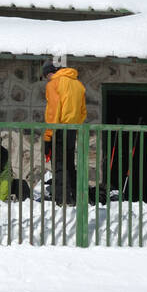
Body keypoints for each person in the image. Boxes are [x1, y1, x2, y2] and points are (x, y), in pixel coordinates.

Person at [43, 63, 87, 204]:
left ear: (50, 73)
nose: (47, 79)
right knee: (69, 164)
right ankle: (74, 197)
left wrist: (48, 135)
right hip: (73, 128)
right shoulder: (78, 85)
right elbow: (83, 112)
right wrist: (76, 127)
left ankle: (62, 199)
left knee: (59, 164)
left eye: (46, 76)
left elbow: (53, 111)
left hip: (59, 128)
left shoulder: (54, 84)